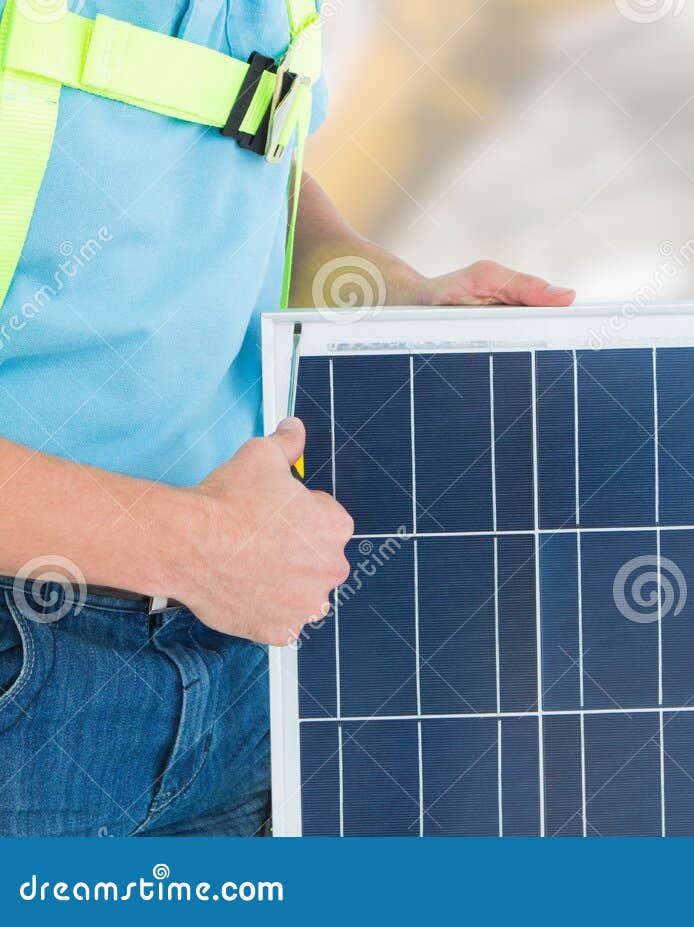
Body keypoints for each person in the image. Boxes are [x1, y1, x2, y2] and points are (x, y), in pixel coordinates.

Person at [0, 0, 572, 836]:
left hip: (238, 645)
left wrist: (386, 292)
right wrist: (196, 545)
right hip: (33, 657)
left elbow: (224, 172)